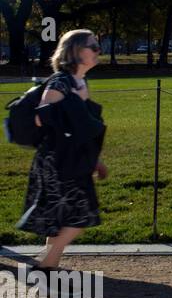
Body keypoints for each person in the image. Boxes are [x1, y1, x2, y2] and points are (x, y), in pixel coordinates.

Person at [19, 30, 108, 269]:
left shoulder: (80, 82)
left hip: (73, 160)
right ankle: (43, 266)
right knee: (80, 216)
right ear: (77, 51)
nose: (98, 50)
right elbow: (40, 118)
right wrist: (74, 103)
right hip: (57, 162)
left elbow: (81, 126)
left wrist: (96, 160)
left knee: (63, 218)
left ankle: (49, 268)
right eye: (93, 46)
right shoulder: (61, 81)